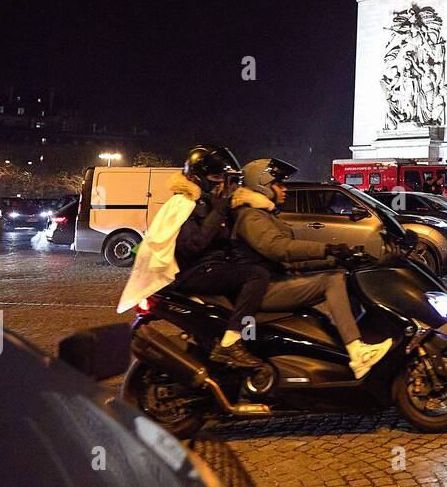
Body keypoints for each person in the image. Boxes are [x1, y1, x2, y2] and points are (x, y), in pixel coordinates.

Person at [231, 157, 392, 379]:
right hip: (264, 289)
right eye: (279, 184)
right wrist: (328, 249)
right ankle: (358, 354)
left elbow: (290, 261)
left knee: (340, 274)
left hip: (275, 279)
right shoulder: (251, 217)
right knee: (332, 280)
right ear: (263, 186)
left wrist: (336, 260)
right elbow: (280, 250)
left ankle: (352, 338)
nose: (285, 189)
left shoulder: (263, 215)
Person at [117, 144, 270, 372]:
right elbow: (192, 246)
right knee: (257, 276)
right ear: (200, 178)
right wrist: (219, 211)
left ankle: (250, 338)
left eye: (224, 178)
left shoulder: (209, 204)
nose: (221, 183)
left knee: (253, 281)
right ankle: (232, 343)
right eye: (216, 177)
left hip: (211, 267)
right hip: (193, 272)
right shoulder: (185, 203)